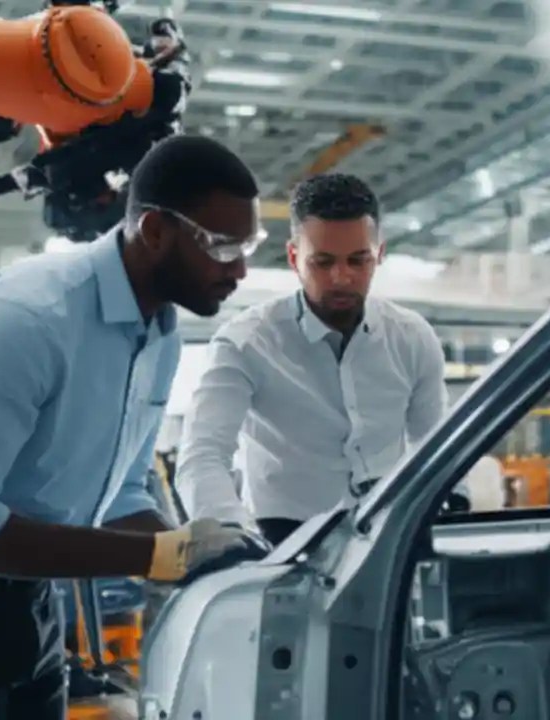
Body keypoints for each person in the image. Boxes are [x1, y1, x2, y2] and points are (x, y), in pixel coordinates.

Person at [0, 136, 270, 720]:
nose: (240, 269)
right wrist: (154, 555)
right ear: (153, 230)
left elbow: (121, 492)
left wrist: (193, 554)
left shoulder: (160, 336)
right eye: (223, 246)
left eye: (248, 245)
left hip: (31, 594)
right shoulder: (28, 319)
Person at [176, 173, 450, 546]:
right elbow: (203, 455)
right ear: (294, 257)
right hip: (283, 540)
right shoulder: (245, 343)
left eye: (359, 260)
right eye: (323, 262)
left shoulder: (413, 337)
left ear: (379, 254)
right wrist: (232, 539)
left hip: (391, 537)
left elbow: (436, 444)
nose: (341, 278)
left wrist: (452, 508)